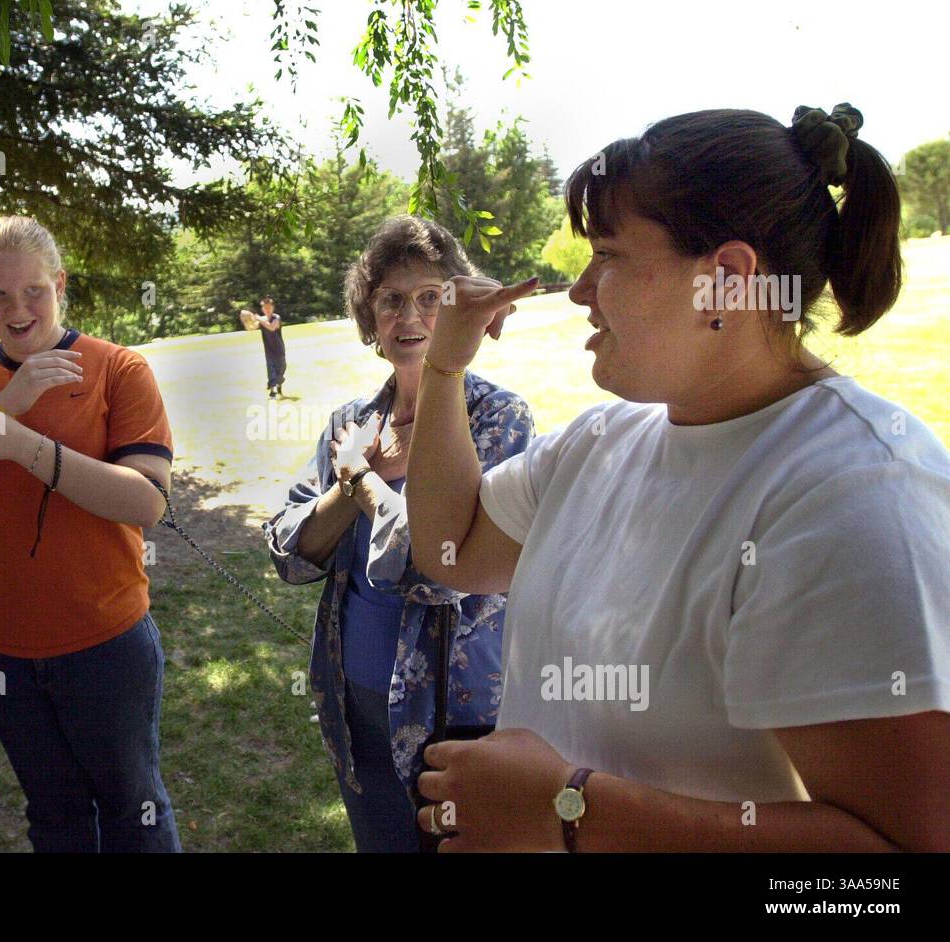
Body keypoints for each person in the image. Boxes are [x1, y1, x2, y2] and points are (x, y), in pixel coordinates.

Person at [407, 104, 950, 851]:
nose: (580, 289)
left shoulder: (852, 497)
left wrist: (570, 815)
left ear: (726, 280)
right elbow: (452, 553)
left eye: (609, 255)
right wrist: (443, 367)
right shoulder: (602, 441)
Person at [0, 215, 180, 853]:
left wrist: (17, 442)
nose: (16, 308)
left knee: (133, 806)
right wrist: (7, 408)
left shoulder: (119, 369)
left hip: (106, 637)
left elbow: (145, 502)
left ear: (59, 284)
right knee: (54, 816)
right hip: (2, 646)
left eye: (33, 291)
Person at [264, 216, 534, 852]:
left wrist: (362, 482)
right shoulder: (351, 420)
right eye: (390, 298)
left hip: (458, 711)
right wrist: (350, 485)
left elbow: (439, 570)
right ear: (370, 316)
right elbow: (289, 553)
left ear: (460, 308)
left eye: (432, 297)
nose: (409, 315)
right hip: (353, 700)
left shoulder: (497, 417)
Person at [256, 296, 287, 398]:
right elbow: (251, 327)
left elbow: (272, 327)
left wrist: (259, 319)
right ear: (262, 309)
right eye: (265, 308)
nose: (267, 309)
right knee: (271, 371)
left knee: (281, 370)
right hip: (269, 351)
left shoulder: (276, 318)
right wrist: (247, 319)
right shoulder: (262, 320)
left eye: (269, 307)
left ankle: (279, 386)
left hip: (279, 350)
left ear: (272, 308)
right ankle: (272, 391)